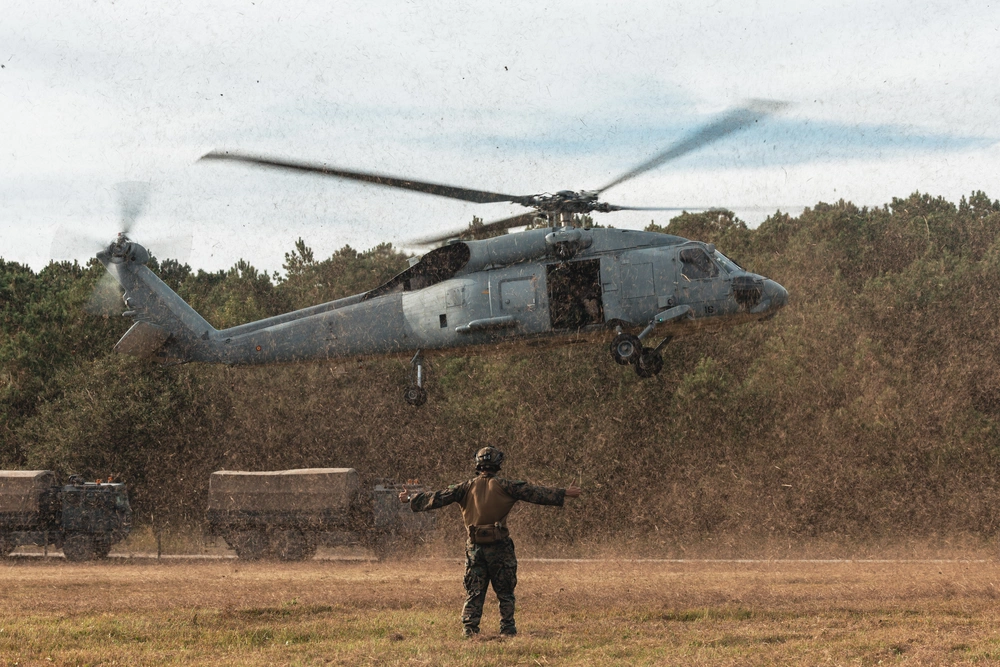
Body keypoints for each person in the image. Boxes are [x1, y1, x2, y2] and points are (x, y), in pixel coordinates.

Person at [399, 446, 582, 637]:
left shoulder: (464, 487)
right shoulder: (507, 486)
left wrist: (411, 498)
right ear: (498, 464)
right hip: (500, 547)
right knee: (505, 592)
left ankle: (470, 631)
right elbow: (535, 493)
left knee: (474, 591)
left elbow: (436, 497)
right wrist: (565, 493)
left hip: (475, 549)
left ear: (477, 464)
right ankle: (508, 630)